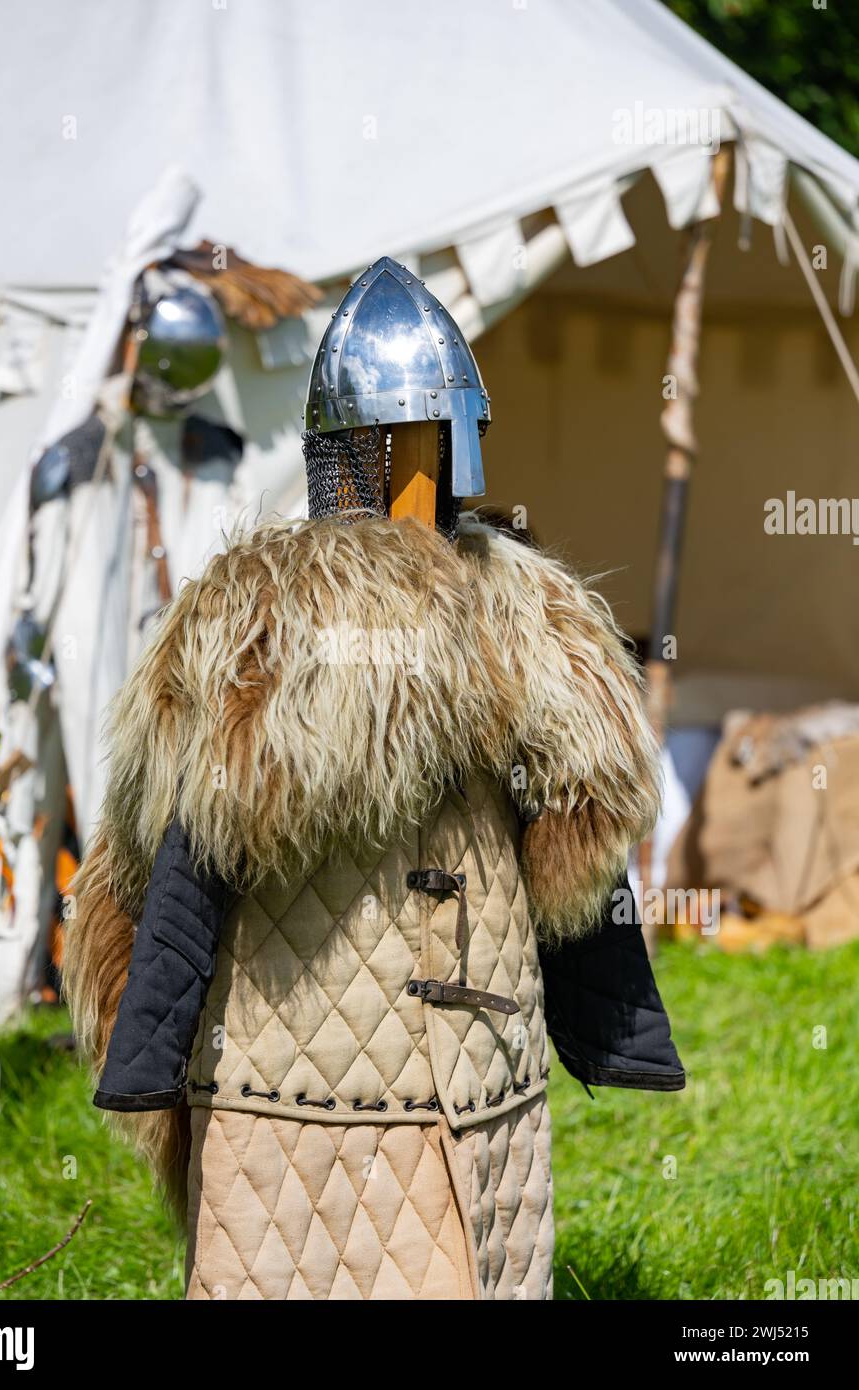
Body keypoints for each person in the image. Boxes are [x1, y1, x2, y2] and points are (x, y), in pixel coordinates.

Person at [65, 256, 683, 1301]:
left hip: (465, 1063)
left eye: (437, 445)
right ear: (352, 456)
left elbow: (574, 838)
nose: (427, 472)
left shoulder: (511, 614)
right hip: (290, 1076)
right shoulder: (260, 625)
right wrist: (150, 1053)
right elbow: (186, 863)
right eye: (405, 446)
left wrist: (611, 1019)